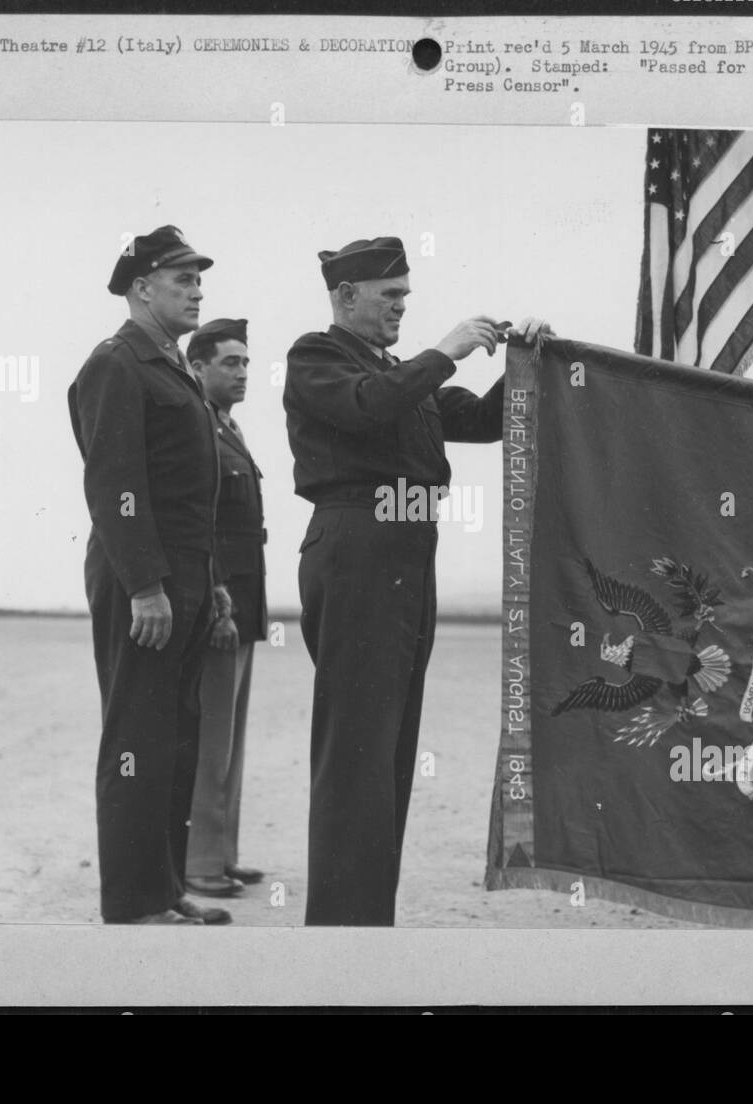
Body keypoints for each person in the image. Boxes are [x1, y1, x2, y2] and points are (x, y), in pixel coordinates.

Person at [283, 235, 550, 925]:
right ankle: (342, 932)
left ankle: (367, 922)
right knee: (356, 753)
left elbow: (487, 420)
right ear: (345, 298)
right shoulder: (317, 358)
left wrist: (528, 361)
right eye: (389, 296)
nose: (402, 306)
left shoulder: (404, 374)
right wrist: (448, 349)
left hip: (407, 561)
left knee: (389, 751)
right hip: (356, 554)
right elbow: (370, 405)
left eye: (406, 296)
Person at [68, 225, 235, 925]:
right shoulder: (118, 363)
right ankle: (135, 903)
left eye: (200, 279)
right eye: (183, 279)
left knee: (176, 736)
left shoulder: (170, 367)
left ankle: (166, 887)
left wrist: (212, 579)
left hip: (185, 580)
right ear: (142, 288)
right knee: (138, 739)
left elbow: (190, 492)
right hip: (146, 584)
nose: (198, 290)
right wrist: (144, 585)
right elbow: (114, 484)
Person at [184, 318, 268, 898]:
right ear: (198, 367)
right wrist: (218, 605)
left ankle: (224, 853)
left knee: (232, 740)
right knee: (211, 742)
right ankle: (199, 865)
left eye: (245, 362)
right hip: (220, 609)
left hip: (245, 605)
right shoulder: (199, 433)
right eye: (229, 362)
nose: (242, 372)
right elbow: (202, 527)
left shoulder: (228, 429)